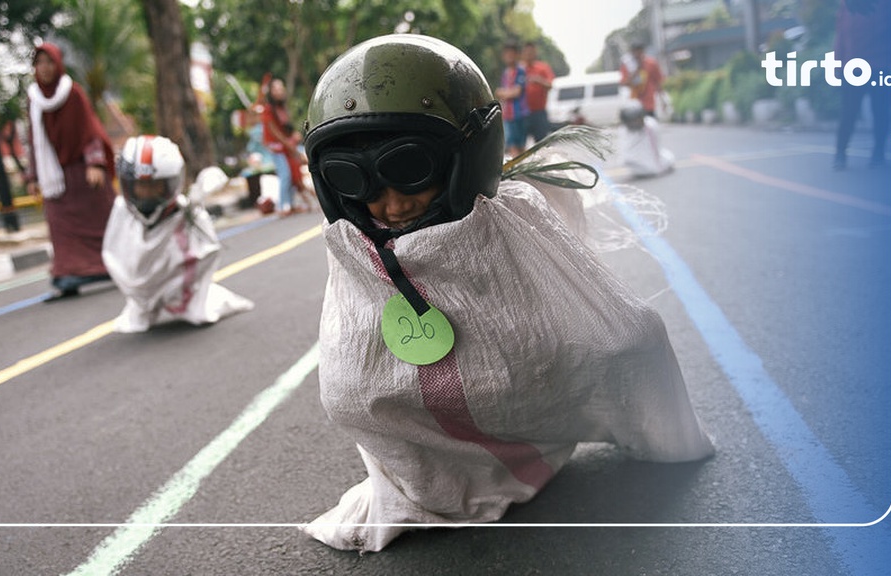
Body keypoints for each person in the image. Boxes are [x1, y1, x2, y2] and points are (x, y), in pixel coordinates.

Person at [299, 33, 714, 553]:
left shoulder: (513, 217)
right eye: (353, 180)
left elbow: (622, 336)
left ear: (467, 156)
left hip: (531, 381)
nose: (390, 205)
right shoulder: (352, 241)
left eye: (409, 173)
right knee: (347, 392)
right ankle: (432, 478)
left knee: (631, 340)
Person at [101, 135, 254, 333]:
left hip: (183, 295)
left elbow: (206, 253)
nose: (147, 194)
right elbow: (116, 254)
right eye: (141, 186)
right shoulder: (122, 212)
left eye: (154, 186)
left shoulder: (189, 214)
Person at [25, 42, 115, 301]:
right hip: (55, 179)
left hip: (84, 174)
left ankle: (119, 266)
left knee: (106, 223)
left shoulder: (72, 93)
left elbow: (90, 130)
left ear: (58, 64)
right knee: (60, 228)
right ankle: (67, 278)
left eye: (49, 62)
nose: (44, 68)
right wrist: (33, 177)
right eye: (39, 63)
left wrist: (95, 164)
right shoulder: (34, 100)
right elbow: (33, 140)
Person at [832, 0, 891, 170]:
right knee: (848, 112)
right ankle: (840, 154)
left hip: (880, 65)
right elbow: (840, 34)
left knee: (881, 111)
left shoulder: (890, 4)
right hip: (853, 67)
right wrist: (838, 63)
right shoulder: (846, 5)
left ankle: (878, 153)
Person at [260, 75, 305, 216]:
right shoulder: (268, 109)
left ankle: (290, 205)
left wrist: (295, 137)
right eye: (276, 88)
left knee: (292, 174)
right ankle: (282, 207)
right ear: (270, 92)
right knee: (285, 174)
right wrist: (291, 146)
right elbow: (275, 133)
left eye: (281, 87)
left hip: (286, 146)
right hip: (277, 147)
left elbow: (287, 129)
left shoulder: (282, 108)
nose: (279, 90)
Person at [494, 41, 529, 157]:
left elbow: (516, 92)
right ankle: (520, 171)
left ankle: (522, 170)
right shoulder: (506, 73)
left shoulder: (520, 71)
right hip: (508, 115)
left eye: (512, 53)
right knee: (512, 145)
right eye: (507, 54)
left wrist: (502, 92)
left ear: (517, 55)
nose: (509, 56)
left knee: (520, 145)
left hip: (519, 114)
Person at [521, 41, 555, 143]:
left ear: (535, 53)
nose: (529, 54)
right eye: (527, 52)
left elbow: (550, 85)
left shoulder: (543, 68)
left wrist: (538, 80)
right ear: (523, 54)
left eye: (531, 52)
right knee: (520, 146)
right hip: (522, 113)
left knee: (542, 143)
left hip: (539, 113)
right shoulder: (519, 69)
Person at [620, 41, 664, 117]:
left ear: (643, 51)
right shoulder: (627, 65)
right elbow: (623, 83)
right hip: (634, 103)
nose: (637, 54)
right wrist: (634, 73)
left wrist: (663, 100)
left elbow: (659, 81)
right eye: (635, 51)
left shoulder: (651, 63)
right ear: (631, 52)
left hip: (649, 103)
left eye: (639, 51)